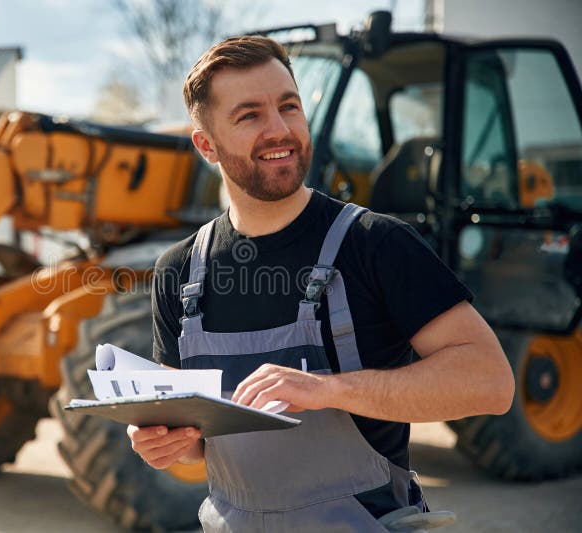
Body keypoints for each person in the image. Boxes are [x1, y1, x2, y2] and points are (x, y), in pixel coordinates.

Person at [126, 35, 515, 531]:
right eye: (249, 116)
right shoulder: (178, 273)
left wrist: (328, 390)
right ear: (206, 144)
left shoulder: (375, 244)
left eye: (289, 107)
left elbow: (491, 383)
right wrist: (169, 446)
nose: (280, 130)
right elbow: (195, 445)